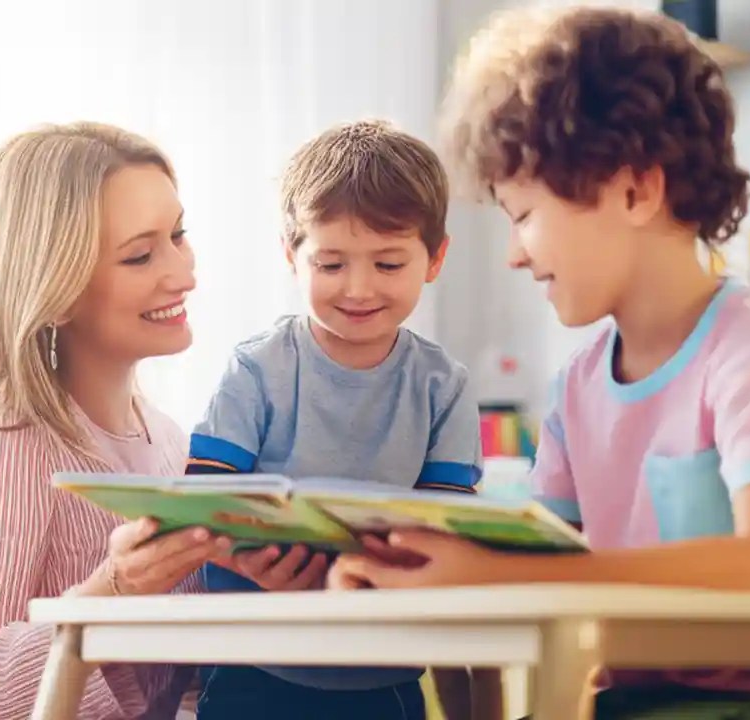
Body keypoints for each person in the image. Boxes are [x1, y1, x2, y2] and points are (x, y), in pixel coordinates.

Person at [329, 8, 750, 720]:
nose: (514, 254)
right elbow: (541, 563)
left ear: (635, 191)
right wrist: (410, 568)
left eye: (523, 215)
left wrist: (490, 576)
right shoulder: (579, 389)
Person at [0, 121, 232, 720]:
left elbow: (181, 685)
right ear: (54, 288)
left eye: (178, 236)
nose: (184, 275)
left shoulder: (173, 445)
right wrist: (113, 592)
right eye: (140, 255)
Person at [186, 119, 483, 720]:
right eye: (330, 265)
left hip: (383, 671)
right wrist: (244, 558)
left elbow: (447, 530)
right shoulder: (257, 369)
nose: (359, 289)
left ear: (435, 258)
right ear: (290, 256)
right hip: (254, 661)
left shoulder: (443, 385)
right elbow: (201, 505)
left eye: (388, 264)